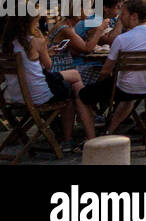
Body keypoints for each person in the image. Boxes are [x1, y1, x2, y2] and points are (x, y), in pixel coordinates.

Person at [2, 13, 96, 151]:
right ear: (30, 23)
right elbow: (48, 66)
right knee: (71, 92)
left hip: (13, 96)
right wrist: (43, 46)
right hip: (37, 95)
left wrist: (45, 51)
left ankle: (84, 134)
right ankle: (80, 137)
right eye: (36, 21)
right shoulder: (36, 41)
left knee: (73, 79)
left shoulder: (5, 45)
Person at [78, 0, 146, 133]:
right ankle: (109, 130)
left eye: (123, 14)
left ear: (133, 16)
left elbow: (106, 71)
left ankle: (92, 130)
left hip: (124, 89)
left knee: (82, 94)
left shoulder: (122, 39)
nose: (120, 17)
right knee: (127, 93)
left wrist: (97, 84)